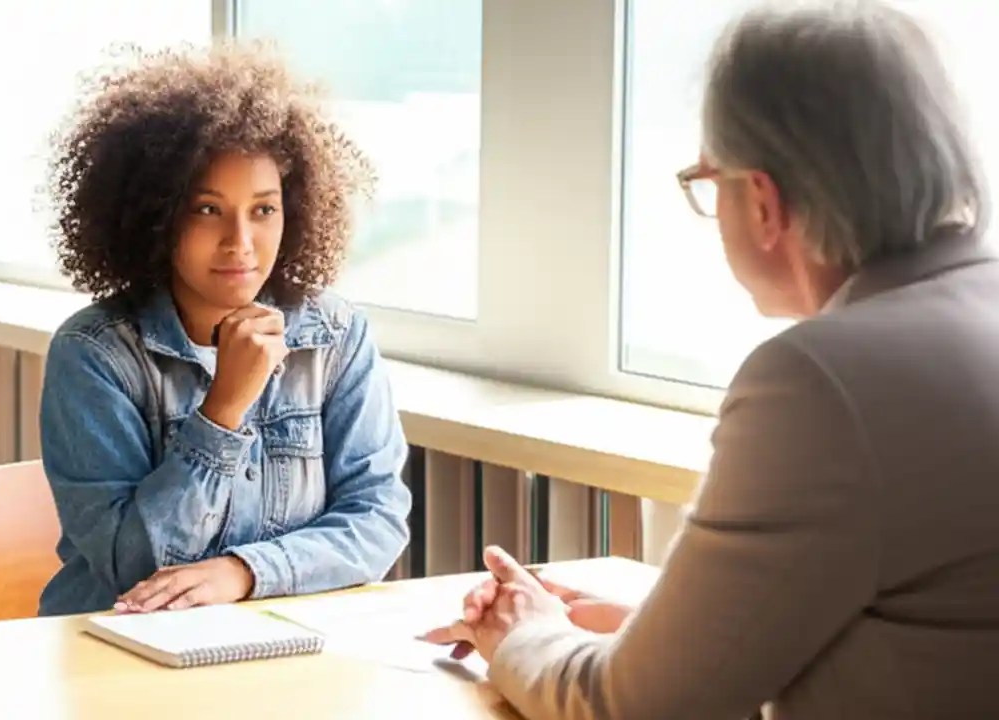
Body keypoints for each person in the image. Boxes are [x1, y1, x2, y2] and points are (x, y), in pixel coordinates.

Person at [424, 2, 999, 718]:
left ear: (761, 200)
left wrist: (522, 633)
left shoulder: (824, 382)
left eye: (707, 180)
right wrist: (655, 631)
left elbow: (632, 709)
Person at [36, 44, 412, 617]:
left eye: (264, 210)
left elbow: (378, 518)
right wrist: (223, 410)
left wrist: (245, 572)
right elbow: (132, 566)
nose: (240, 242)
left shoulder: (335, 337)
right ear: (156, 216)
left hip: (278, 637)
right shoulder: (94, 354)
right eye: (207, 210)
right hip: (118, 646)